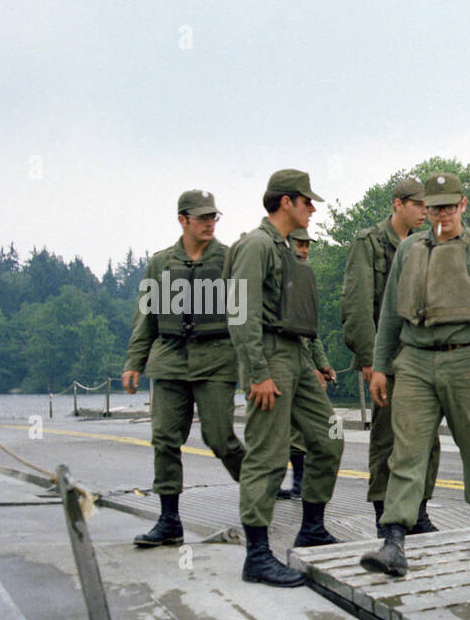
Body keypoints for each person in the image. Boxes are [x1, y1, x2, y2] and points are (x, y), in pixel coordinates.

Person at [361, 172, 470, 577]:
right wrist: (381, 366)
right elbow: (389, 319)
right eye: (435, 207)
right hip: (414, 360)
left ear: (463, 204)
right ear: (425, 209)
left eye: (450, 206)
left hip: (466, 360)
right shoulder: (410, 250)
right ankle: (394, 539)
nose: (443, 214)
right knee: (407, 450)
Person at [226, 169, 344, 587]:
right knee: (268, 455)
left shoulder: (286, 250)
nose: (312, 208)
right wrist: (257, 372)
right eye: (306, 201)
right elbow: (241, 313)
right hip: (269, 359)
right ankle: (257, 555)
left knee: (330, 437)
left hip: (297, 355)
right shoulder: (256, 246)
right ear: (285, 202)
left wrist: (315, 356)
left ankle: (311, 528)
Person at [121, 189, 245, 547]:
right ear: (182, 220)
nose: (209, 223)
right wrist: (134, 363)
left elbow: (244, 316)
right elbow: (145, 317)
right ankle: (169, 520)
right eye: (202, 217)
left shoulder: (229, 259)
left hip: (216, 360)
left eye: (213, 217)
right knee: (164, 439)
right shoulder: (161, 264)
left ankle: (258, 491)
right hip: (170, 360)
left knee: (220, 437)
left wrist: (255, 368)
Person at [341, 178, 443, 537]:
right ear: (398, 204)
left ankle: (419, 512)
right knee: (387, 440)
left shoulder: (427, 245)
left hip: (425, 358)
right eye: (418, 205)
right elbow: (356, 307)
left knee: (428, 439)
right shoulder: (369, 244)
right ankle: (386, 518)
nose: (424, 213)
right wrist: (373, 362)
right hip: (389, 359)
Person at [276, 227, 336, 499]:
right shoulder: (275, 279)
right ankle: (271, 484)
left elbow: (312, 334)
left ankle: (300, 483)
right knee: (278, 429)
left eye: (306, 245)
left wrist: (322, 365)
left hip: (303, 363)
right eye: (299, 245)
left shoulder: (304, 280)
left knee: (306, 430)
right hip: (280, 362)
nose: (304, 250)